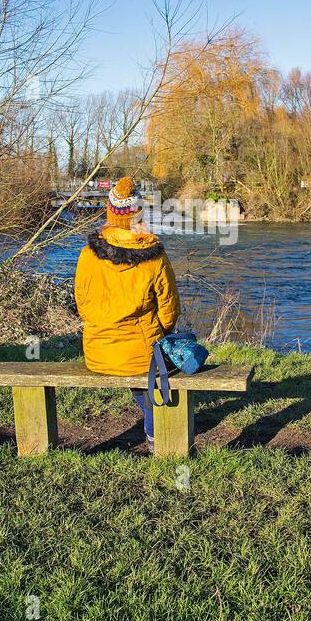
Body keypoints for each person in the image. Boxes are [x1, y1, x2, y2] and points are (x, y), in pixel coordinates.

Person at [74, 177, 180, 451]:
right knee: (160, 367)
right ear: (140, 213)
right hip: (141, 356)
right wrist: (160, 332)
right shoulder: (153, 255)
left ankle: (155, 426)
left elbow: (82, 303)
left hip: (97, 352)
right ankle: (157, 433)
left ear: (110, 212)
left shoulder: (88, 253)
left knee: (143, 374)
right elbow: (169, 309)